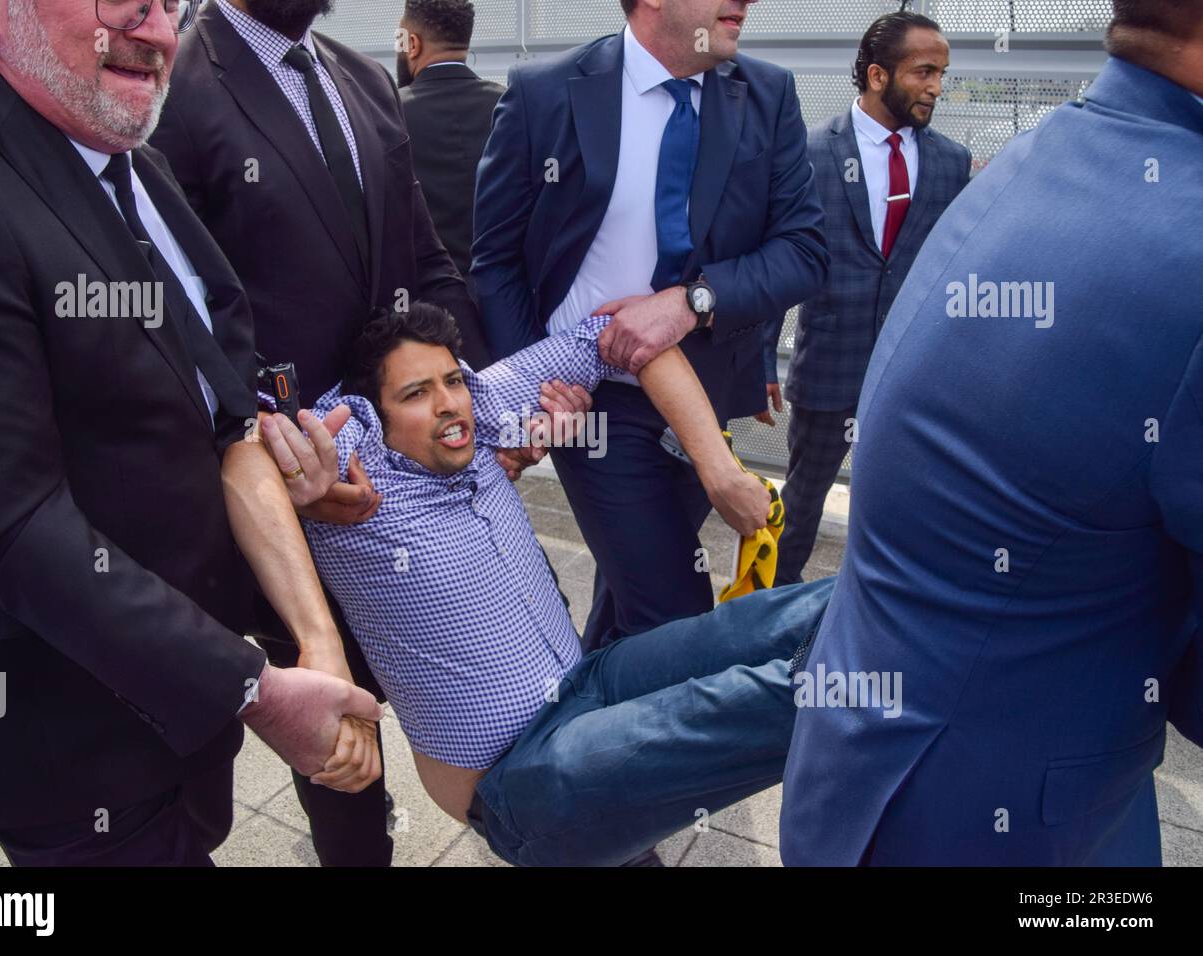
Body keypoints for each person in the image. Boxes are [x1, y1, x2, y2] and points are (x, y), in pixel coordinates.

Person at [0, 0, 381, 866]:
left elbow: (228, 417)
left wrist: (316, 641)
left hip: (182, 708)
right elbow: (14, 529)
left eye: (168, 2)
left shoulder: (134, 163)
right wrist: (256, 691)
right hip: (66, 735)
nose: (156, 28)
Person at [780, 0, 1203, 866]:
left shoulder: (1032, 156)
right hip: (999, 816)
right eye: (922, 70)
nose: (936, 86)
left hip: (905, 770)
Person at [259, 302, 830, 866]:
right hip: (520, 775)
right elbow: (243, 459)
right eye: (415, 395)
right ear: (370, 414)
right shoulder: (345, 473)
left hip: (587, 684)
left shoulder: (481, 410)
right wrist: (297, 496)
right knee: (762, 700)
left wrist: (720, 471)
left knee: (792, 616)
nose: (447, 405)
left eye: (452, 380)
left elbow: (623, 328)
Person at [148, 0, 496, 865]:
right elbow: (173, 321)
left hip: (414, 472)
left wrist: (475, 402)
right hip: (296, 488)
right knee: (344, 720)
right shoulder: (176, 91)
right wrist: (273, 438)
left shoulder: (365, 77)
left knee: (479, 673)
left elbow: (425, 263)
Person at [472, 0, 828, 652]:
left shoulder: (768, 94)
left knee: (630, 596)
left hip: (705, 398)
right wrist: (538, 381)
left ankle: (575, 735)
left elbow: (804, 252)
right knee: (673, 615)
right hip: (596, 405)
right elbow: (494, 261)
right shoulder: (544, 94)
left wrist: (689, 302)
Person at [766, 10, 972, 586]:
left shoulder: (950, 162)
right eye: (923, 72)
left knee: (899, 509)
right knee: (801, 507)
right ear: (878, 76)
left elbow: (952, 269)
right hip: (829, 367)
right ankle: (767, 621)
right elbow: (782, 259)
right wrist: (761, 359)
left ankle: (875, 613)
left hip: (911, 375)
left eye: (942, 73)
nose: (936, 86)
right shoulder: (810, 152)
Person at [397, 0, 505, 280]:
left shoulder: (388, 112)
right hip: (500, 292)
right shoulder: (509, 105)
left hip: (424, 299)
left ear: (412, 44)